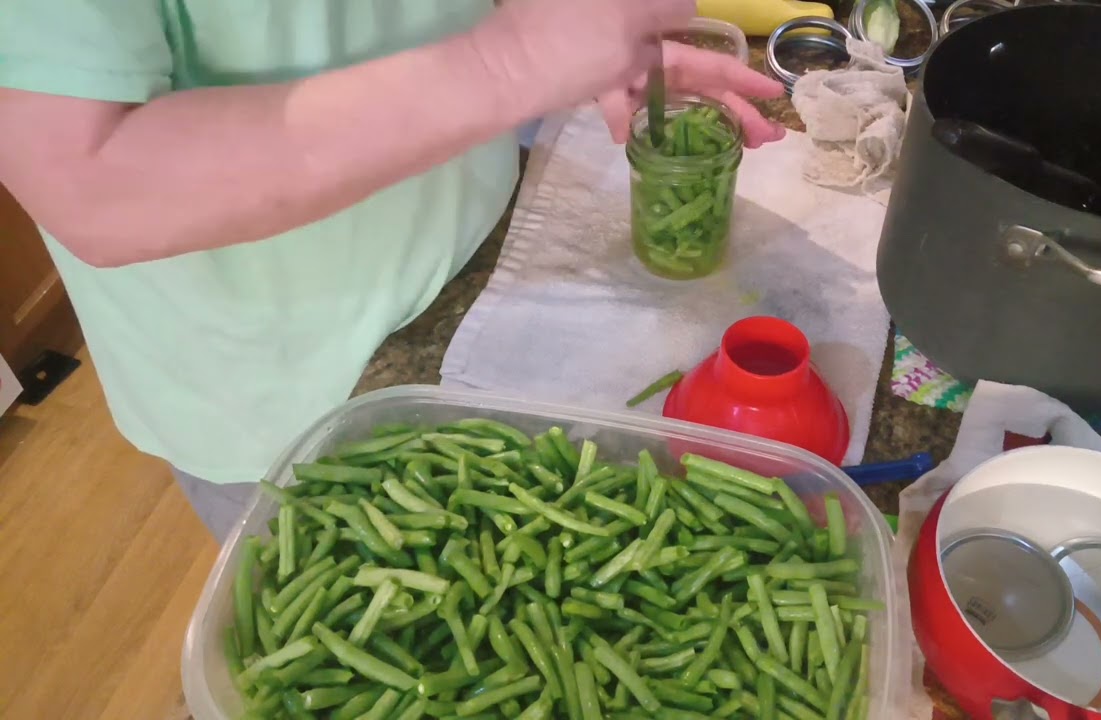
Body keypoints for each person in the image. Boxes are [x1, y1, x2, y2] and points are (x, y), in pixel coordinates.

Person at [0, 1, 786, 542]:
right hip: (288, 388)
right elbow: (91, 182)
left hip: (480, 260)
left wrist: (571, 38)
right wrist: (512, 60)